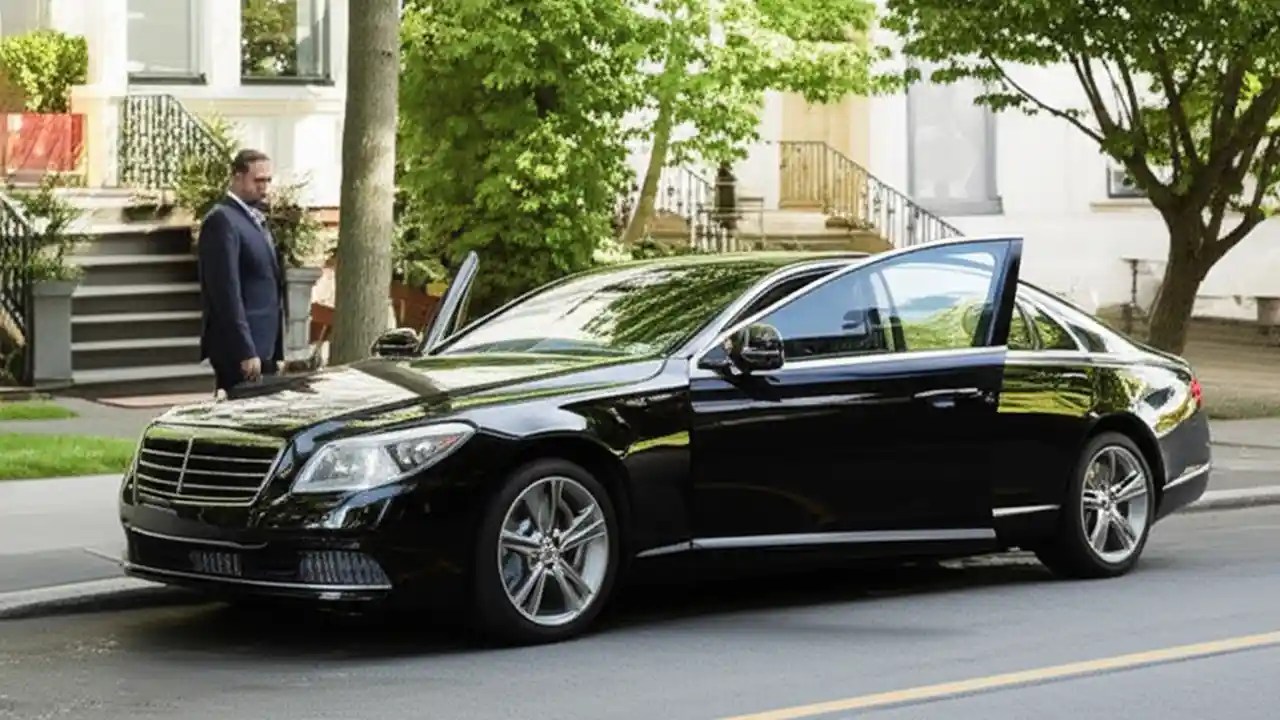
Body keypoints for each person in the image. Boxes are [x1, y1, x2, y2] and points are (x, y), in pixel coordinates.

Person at [197, 148, 285, 394]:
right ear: (237, 177)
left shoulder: (255, 218)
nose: (265, 187)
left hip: (264, 347)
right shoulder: (222, 221)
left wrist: (275, 350)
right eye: (258, 180)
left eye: (268, 180)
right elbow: (225, 292)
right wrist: (244, 350)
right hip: (240, 351)